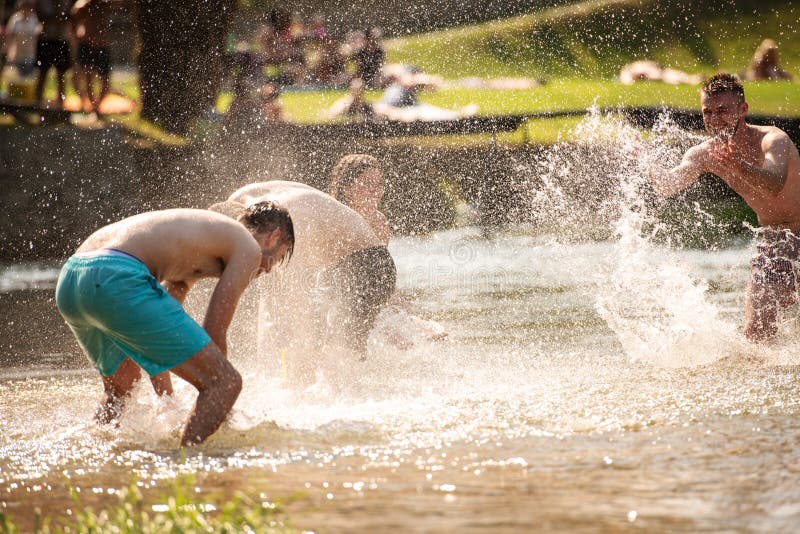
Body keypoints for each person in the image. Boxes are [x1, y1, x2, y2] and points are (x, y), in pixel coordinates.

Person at [55, 204, 295, 446]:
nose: (267, 269)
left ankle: (91, 450)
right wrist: (220, 402)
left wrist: (167, 399)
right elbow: (215, 332)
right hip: (116, 276)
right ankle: (186, 464)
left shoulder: (204, 240)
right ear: (273, 236)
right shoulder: (249, 248)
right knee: (226, 383)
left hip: (72, 279)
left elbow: (155, 340)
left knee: (121, 388)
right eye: (275, 259)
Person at [644, 73, 800, 341]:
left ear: (743, 109)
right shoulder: (705, 153)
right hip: (776, 241)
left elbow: (775, 183)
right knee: (756, 336)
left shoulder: (774, 140)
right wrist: (646, 163)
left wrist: (740, 166)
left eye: (723, 110)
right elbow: (668, 185)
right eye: (708, 112)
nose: (714, 119)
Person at [227, 180, 395, 360]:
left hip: (369, 266)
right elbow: (269, 293)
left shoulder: (291, 223)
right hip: (343, 267)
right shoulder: (246, 202)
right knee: (327, 347)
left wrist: (295, 358)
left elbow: (297, 302)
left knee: (338, 353)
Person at [70, 0, 111, 112]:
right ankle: (92, 106)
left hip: (102, 45)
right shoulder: (84, 5)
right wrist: (76, 34)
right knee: (88, 77)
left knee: (105, 79)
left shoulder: (105, 4)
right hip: (88, 44)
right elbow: (72, 16)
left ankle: (97, 106)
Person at [34, 0, 72, 107]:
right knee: (42, 74)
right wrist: (58, 19)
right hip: (46, 39)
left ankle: (61, 106)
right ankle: (37, 106)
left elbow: (68, 18)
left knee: (61, 76)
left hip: (61, 40)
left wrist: (55, 19)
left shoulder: (66, 2)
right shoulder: (43, 2)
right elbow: (41, 18)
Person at [4, 0, 41, 79]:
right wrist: (8, 50)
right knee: (18, 77)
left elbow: (37, 31)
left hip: (30, 53)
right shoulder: (15, 18)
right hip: (17, 53)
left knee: (28, 77)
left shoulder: (33, 18)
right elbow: (9, 35)